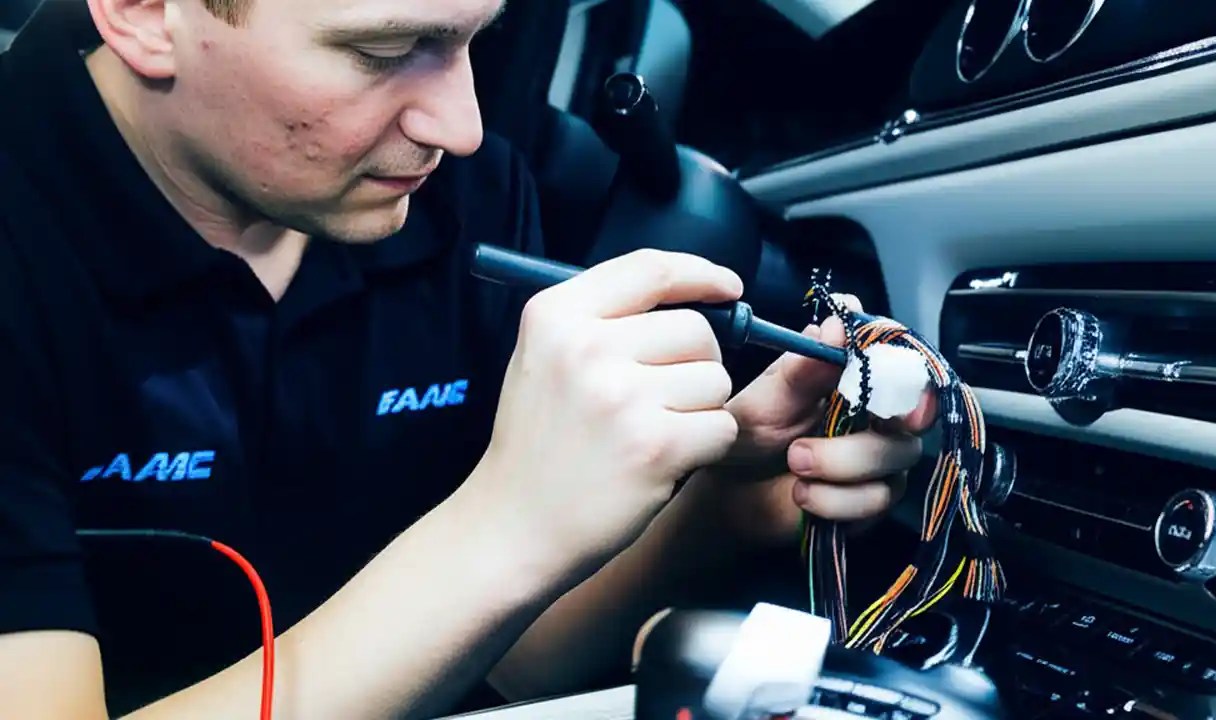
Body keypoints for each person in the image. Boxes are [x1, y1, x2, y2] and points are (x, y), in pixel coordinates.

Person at [0, 0, 936, 718]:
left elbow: (508, 656)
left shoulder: (466, 200)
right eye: (383, 52)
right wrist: (504, 525)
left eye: (472, 39)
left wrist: (720, 503)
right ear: (144, 14)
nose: (463, 127)